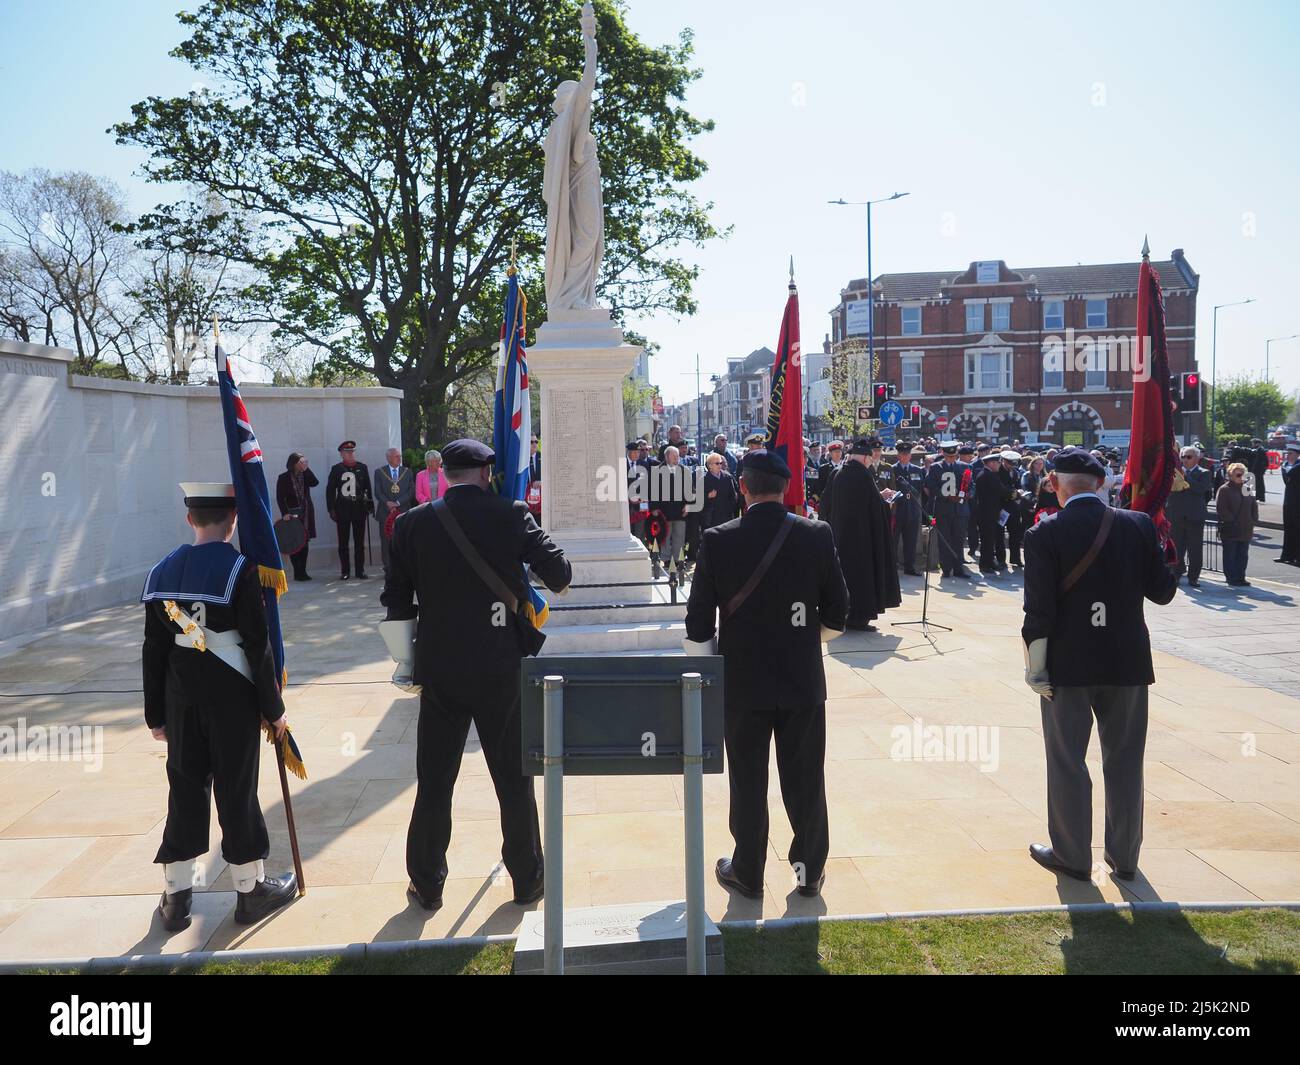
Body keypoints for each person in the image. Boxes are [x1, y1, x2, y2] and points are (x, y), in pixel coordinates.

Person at [378, 439, 572, 912]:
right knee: (513, 776)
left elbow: (397, 602)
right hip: (499, 664)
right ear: (487, 473)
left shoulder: (410, 524)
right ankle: (526, 879)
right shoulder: (512, 514)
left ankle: (427, 883)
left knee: (435, 779)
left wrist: (406, 664)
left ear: (443, 473)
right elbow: (560, 574)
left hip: (441, 665)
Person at [684, 449, 849, 899]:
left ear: (742, 487)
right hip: (801, 679)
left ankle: (748, 871)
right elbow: (839, 610)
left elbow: (698, 622)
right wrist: (803, 641)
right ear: (786, 488)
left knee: (748, 780)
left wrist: (707, 672)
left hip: (742, 682)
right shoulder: (816, 534)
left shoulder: (718, 539)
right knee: (806, 781)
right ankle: (807, 872)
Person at [142, 482, 297, 932]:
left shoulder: (161, 572)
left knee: (185, 790)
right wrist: (273, 707)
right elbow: (258, 645)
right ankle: (250, 891)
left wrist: (157, 715)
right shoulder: (241, 570)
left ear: (190, 519)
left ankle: (176, 897)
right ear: (233, 522)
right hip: (232, 700)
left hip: (180, 700)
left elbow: (153, 649)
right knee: (236, 790)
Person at [1021, 448, 1178, 883]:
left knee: (1068, 760)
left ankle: (1072, 855)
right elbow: (1163, 592)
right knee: (1126, 761)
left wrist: (1035, 667)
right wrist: (1168, 544)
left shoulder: (1044, 533)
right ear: (1101, 484)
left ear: (1054, 485)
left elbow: (1039, 612)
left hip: (1068, 666)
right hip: (1126, 662)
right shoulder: (1139, 525)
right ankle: (1125, 858)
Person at [823, 437, 901, 631]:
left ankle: (847, 615)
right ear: (866, 458)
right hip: (861, 540)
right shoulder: (862, 475)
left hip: (842, 536)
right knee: (861, 579)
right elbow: (874, 508)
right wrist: (886, 502)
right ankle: (858, 618)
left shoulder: (840, 473)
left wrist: (878, 497)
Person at [1165, 445, 1214, 587]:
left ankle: (1193, 577)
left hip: (1195, 517)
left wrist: (1185, 477)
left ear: (1197, 458)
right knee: (1176, 549)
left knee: (1195, 550)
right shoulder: (1173, 473)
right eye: (1183, 457)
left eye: (1189, 457)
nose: (1185, 460)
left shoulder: (1204, 473)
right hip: (1176, 516)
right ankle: (1175, 575)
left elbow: (1200, 489)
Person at [924, 441, 974, 579]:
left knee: (959, 540)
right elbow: (931, 486)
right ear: (943, 454)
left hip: (961, 510)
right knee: (944, 540)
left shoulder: (965, 467)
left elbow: (972, 485)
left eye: (953, 456)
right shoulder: (935, 468)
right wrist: (946, 495)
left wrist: (969, 494)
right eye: (948, 456)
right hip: (943, 510)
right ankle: (946, 568)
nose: (951, 459)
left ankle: (959, 568)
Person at [325, 440, 373, 580]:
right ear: (341, 454)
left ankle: (360, 570)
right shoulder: (337, 469)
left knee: (360, 543)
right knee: (343, 543)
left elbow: (367, 488)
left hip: (359, 508)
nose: (350, 454)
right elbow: (330, 491)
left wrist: (370, 505)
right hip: (343, 508)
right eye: (347, 452)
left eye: (352, 452)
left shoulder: (362, 467)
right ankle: (345, 571)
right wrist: (331, 509)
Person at [275, 452, 319, 581]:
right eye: (301, 462)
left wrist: (307, 469)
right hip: (292, 513)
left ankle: (303, 571)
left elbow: (315, 482)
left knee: (305, 541)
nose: (303, 463)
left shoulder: (305, 474)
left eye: (304, 461)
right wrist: (284, 513)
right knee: (295, 541)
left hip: (306, 513)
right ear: (294, 463)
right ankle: (297, 572)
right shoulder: (283, 478)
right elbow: (280, 497)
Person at [374, 447, 417, 577]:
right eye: (396, 456)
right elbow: (378, 491)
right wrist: (388, 503)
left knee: (404, 539)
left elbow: (411, 491)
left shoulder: (407, 472)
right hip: (385, 512)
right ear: (388, 458)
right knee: (386, 541)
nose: (399, 458)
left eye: (399, 456)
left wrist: (398, 503)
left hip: (403, 511)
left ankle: (404, 567)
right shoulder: (380, 472)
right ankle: (388, 568)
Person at [1216, 462, 1259, 588]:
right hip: (1231, 528)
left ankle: (1241, 577)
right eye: (1238, 474)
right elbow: (1222, 508)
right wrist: (1231, 520)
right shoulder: (1225, 489)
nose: (1241, 477)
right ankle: (1232, 578)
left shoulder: (1247, 488)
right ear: (1230, 475)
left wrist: (1253, 519)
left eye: (1243, 474)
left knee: (1242, 555)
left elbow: (1253, 504)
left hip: (1246, 528)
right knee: (1230, 555)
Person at [888, 442, 926, 576]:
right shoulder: (892, 469)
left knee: (910, 541)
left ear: (910, 455)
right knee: (893, 540)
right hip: (897, 511)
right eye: (902, 454)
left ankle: (909, 567)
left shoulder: (917, 470)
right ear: (898, 455)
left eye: (907, 454)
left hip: (912, 510)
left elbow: (920, 488)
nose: (905, 457)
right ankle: (892, 567)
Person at [974, 451, 1009, 575]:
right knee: (987, 540)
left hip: (989, 511)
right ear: (992, 463)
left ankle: (989, 562)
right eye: (998, 463)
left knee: (990, 539)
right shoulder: (988, 475)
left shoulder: (987, 474)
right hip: (987, 512)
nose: (999, 465)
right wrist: (1014, 493)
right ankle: (985, 564)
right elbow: (1001, 490)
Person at [700, 451, 739, 530]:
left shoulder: (727, 477)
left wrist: (729, 509)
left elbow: (733, 496)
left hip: (726, 516)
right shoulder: (703, 480)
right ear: (710, 465)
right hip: (711, 518)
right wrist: (707, 496)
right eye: (717, 463)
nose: (720, 465)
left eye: (721, 463)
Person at [1279, 441, 1300, 565]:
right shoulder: (1285, 465)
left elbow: (1290, 475)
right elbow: (1287, 480)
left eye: (1290, 453)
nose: (1288, 455)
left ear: (1297, 454)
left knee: (1298, 529)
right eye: (1287, 453)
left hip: (1298, 501)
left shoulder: (1296, 466)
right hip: (1288, 500)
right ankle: (1287, 555)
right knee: (1288, 528)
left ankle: (1298, 557)